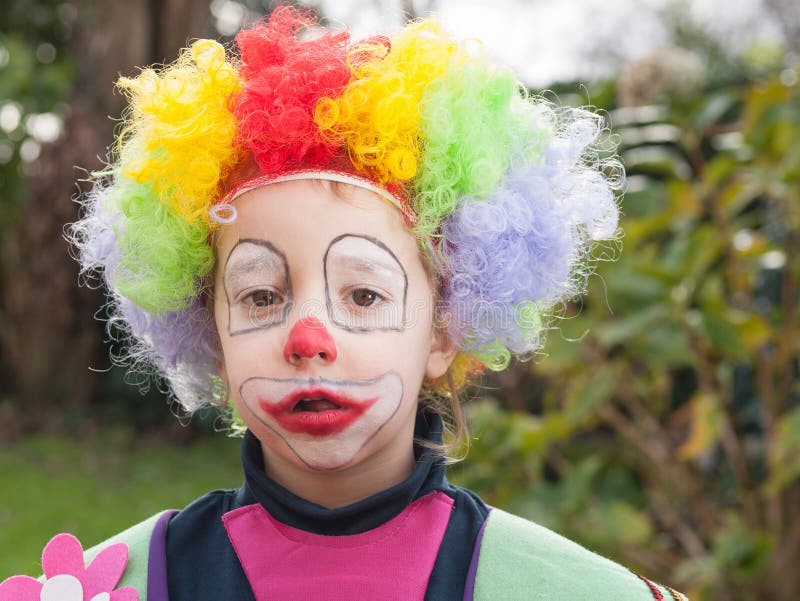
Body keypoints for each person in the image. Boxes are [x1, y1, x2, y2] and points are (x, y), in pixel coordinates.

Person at [0, 6, 686, 600]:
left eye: (363, 293)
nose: (309, 336)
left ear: (444, 325)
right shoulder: (141, 579)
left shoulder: (548, 584)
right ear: (208, 326)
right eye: (261, 294)